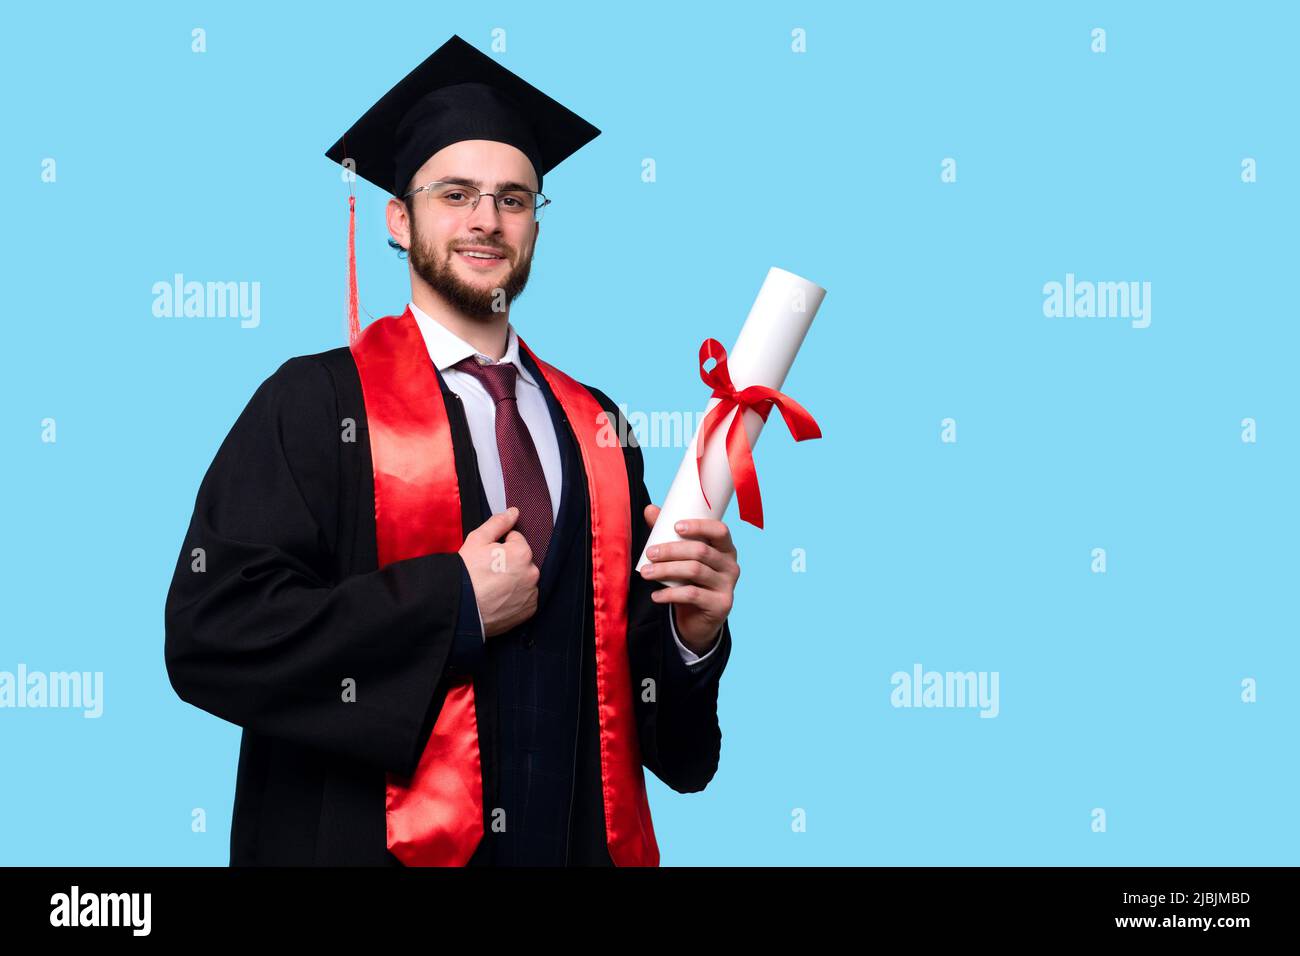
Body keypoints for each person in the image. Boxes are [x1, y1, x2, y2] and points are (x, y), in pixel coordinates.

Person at [163, 34, 740, 866]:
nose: (486, 220)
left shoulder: (599, 426)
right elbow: (210, 635)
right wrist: (453, 607)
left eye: (514, 198)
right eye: (456, 193)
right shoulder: (317, 403)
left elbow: (660, 740)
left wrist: (692, 636)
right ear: (399, 219)